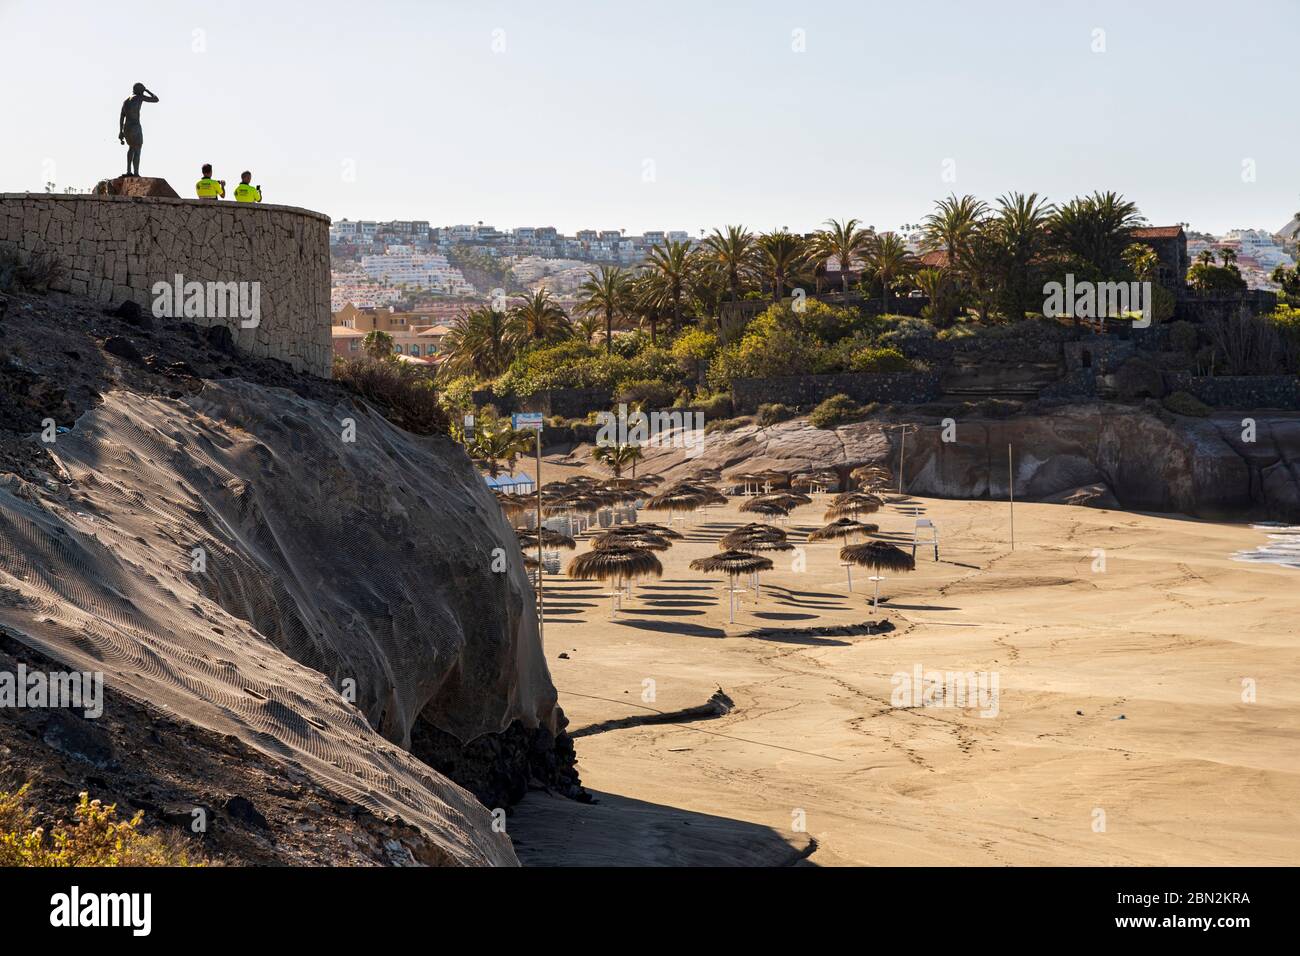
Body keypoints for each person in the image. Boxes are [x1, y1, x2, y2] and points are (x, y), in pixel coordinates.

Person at [118, 83, 159, 177]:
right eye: (142, 89)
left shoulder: (126, 101)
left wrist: (120, 131)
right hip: (135, 126)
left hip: (126, 127)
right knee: (137, 148)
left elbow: (122, 116)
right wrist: (147, 90)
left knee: (131, 148)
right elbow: (156, 99)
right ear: (140, 90)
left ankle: (128, 171)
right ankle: (136, 173)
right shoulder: (139, 97)